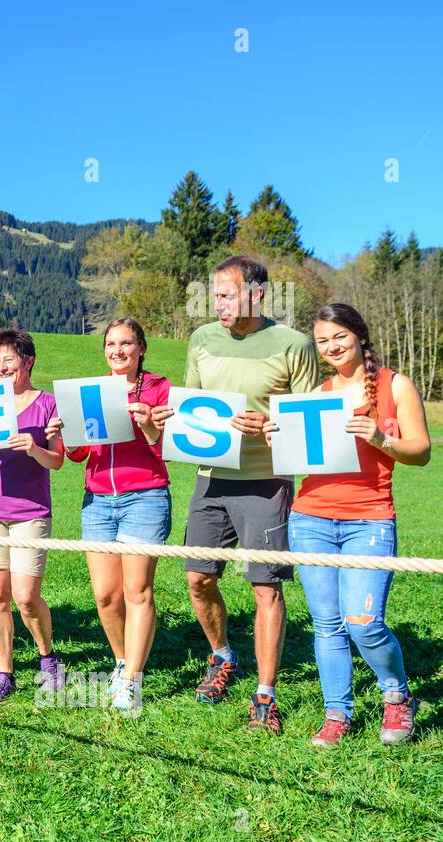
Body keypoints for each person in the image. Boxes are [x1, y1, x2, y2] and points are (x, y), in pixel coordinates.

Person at [157, 255, 320, 732]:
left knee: (265, 586)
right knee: (198, 579)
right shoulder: (201, 339)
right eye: (215, 296)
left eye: (227, 295)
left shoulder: (294, 344)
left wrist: (272, 427)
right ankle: (223, 656)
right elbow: (194, 407)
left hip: (267, 482)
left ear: (258, 294)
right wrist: (172, 422)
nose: (218, 304)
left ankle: (265, 695)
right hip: (210, 479)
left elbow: (309, 425)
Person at [263, 304, 431, 747]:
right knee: (328, 625)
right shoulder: (318, 393)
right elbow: (300, 462)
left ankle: (398, 698)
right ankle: (337, 713)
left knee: (364, 622)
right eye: (323, 341)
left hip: (369, 520)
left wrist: (381, 438)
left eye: (339, 336)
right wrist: (278, 440)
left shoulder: (395, 386)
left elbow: (422, 452)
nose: (332, 346)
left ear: (359, 335)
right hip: (311, 518)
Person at [50, 318, 171, 713]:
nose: (118, 350)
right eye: (111, 344)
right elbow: (80, 455)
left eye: (127, 343)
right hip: (98, 500)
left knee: (138, 592)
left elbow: (172, 447)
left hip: (145, 497)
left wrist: (150, 427)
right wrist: (67, 435)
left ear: (141, 348)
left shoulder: (160, 388)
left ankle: (133, 680)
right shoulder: (91, 391)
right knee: (105, 596)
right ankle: (121, 661)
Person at [0, 330, 64, 702]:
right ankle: (5, 673)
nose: (2, 367)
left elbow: (57, 460)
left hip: (31, 512)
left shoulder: (49, 404)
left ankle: (48, 657)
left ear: (28, 361)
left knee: (25, 596)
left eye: (9, 359)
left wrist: (35, 448)